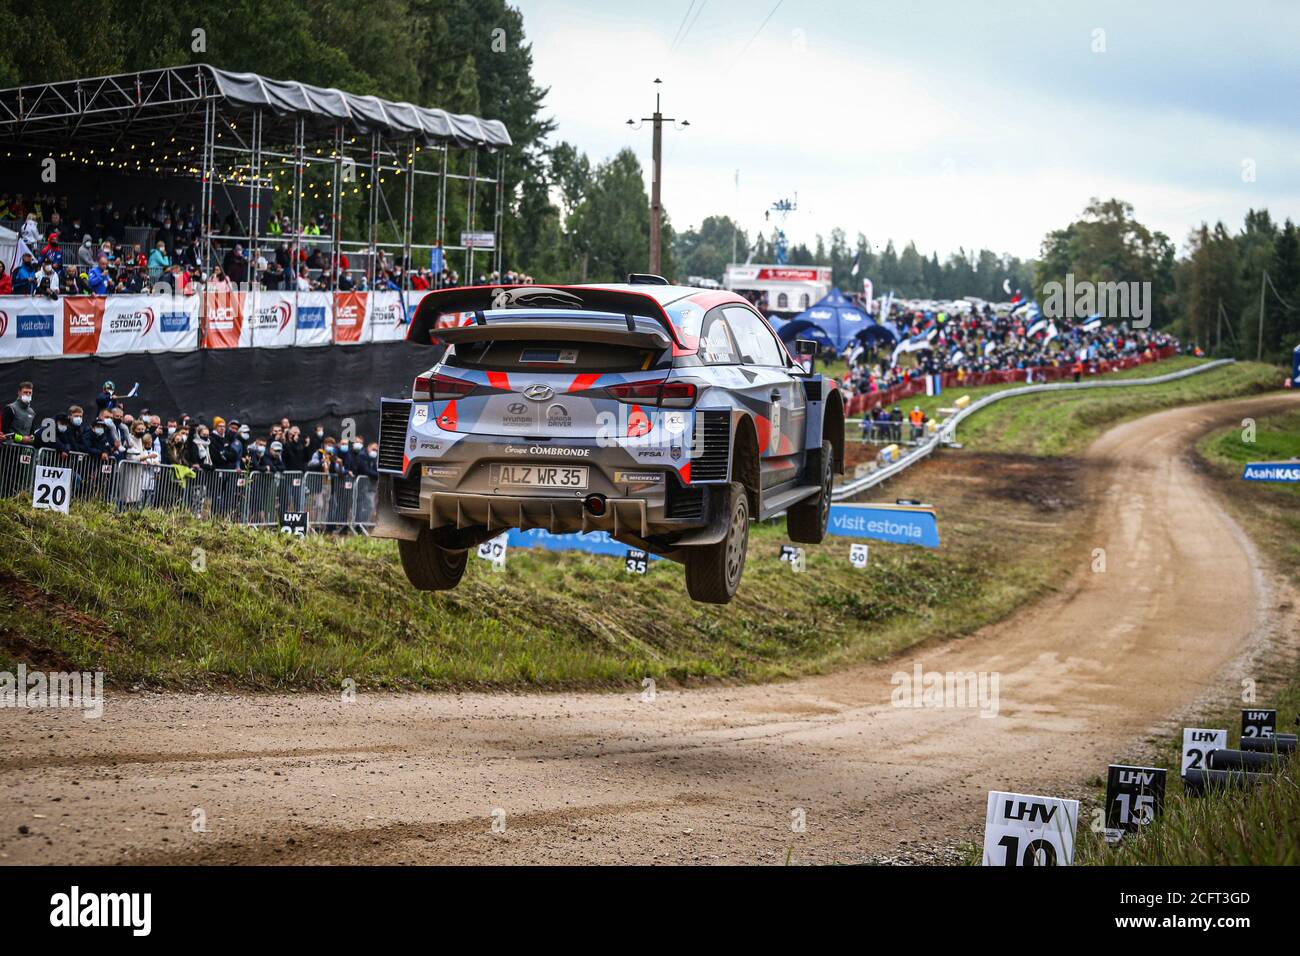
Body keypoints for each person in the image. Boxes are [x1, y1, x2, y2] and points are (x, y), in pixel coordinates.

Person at [1, 382, 36, 447]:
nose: (28, 394)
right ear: (19, 392)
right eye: (25, 392)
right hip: (9, 448)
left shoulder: (32, 412)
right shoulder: (10, 408)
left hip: (25, 450)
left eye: (30, 393)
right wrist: (21, 438)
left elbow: (32, 433)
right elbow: (4, 430)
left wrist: (31, 438)